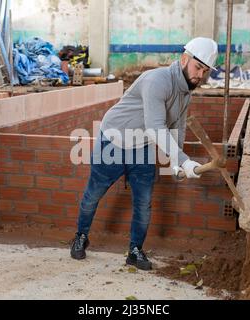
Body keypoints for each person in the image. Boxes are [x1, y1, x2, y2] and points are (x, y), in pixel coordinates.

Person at [70, 37, 218, 270]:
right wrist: (185, 160)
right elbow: (156, 127)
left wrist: (176, 163)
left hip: (143, 146)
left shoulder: (186, 92)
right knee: (93, 194)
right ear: (184, 59)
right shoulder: (157, 81)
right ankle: (80, 236)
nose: (200, 75)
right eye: (198, 67)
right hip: (114, 140)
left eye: (206, 71)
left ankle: (135, 250)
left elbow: (177, 126)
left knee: (144, 202)